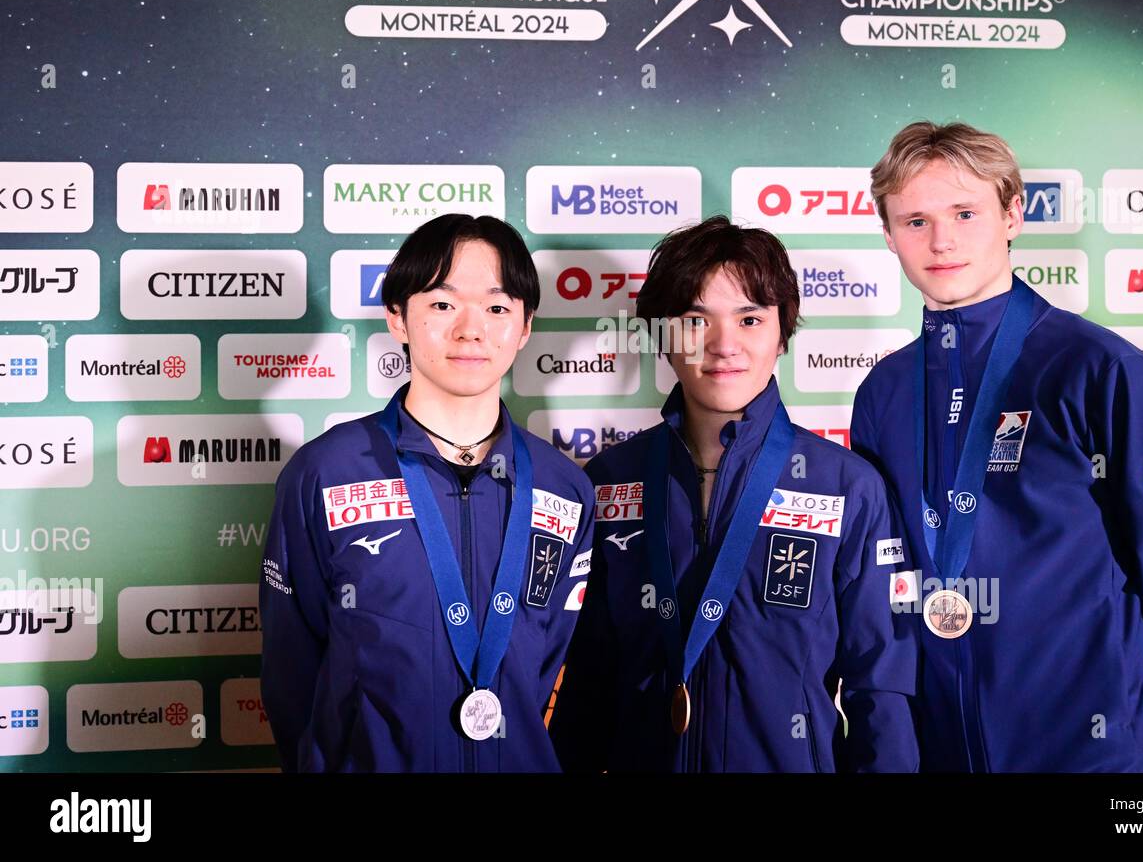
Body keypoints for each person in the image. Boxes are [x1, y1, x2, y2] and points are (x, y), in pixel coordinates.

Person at [850, 120, 1143, 772]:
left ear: (1013, 215)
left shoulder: (1100, 370)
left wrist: (1134, 742)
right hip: (934, 756)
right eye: (915, 220)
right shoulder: (882, 392)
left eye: (965, 212)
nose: (941, 240)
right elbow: (880, 589)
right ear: (888, 235)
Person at [551, 215, 919, 772]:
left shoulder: (845, 485)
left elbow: (881, 685)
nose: (724, 345)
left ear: (782, 332)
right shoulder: (609, 480)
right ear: (664, 338)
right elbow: (587, 677)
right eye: (696, 320)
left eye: (750, 318)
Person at [259, 214, 594, 771]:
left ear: (526, 325)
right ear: (397, 317)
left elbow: (546, 662)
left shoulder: (566, 487)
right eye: (442, 304)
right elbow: (292, 672)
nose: (471, 330)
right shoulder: (326, 472)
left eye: (497, 307)